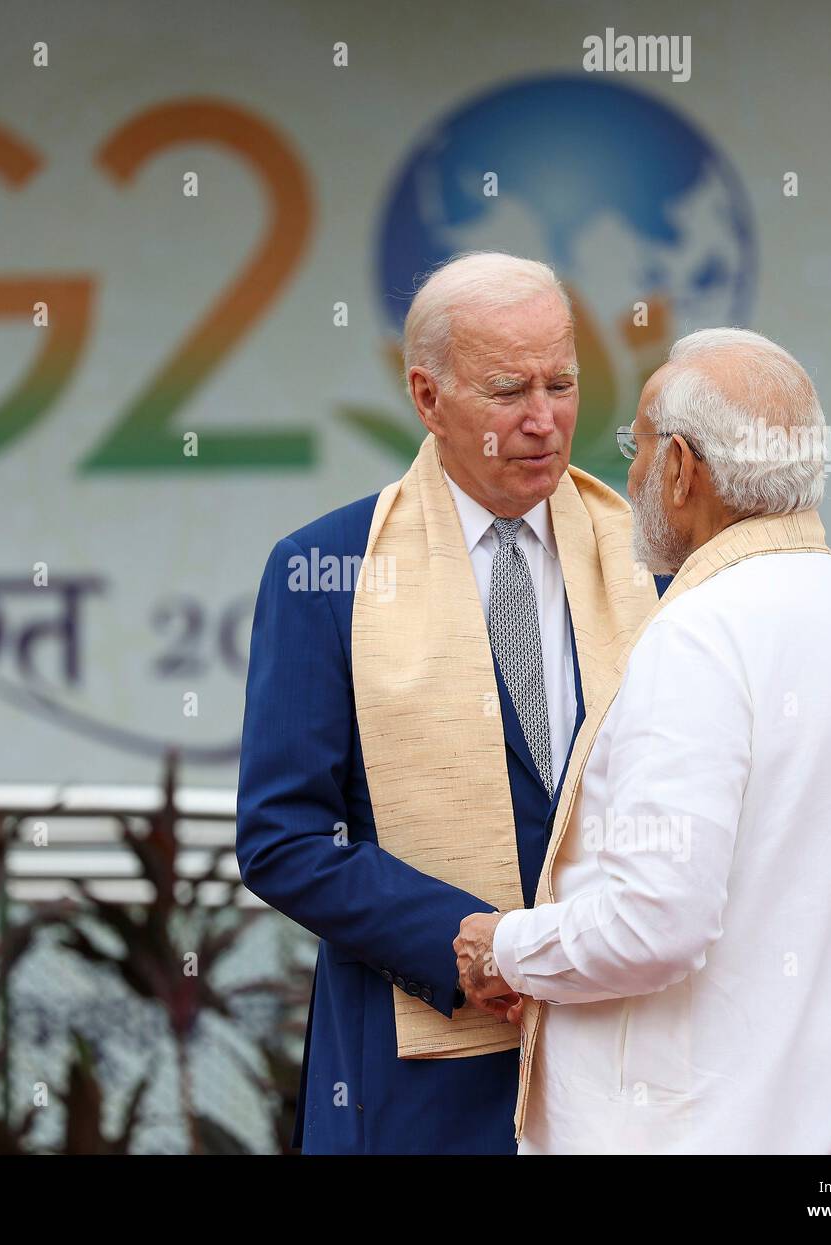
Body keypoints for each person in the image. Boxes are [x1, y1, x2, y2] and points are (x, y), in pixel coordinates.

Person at [456, 328, 831, 1154]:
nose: (631, 473)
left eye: (637, 447)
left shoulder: (699, 633)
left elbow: (657, 923)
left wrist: (503, 946)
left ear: (681, 469)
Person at [236, 252, 661, 1153]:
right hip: (415, 1082)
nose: (544, 420)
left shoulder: (648, 562)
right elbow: (284, 835)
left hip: (626, 1064)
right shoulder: (329, 572)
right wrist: (460, 941)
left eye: (563, 382)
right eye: (509, 389)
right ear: (427, 398)